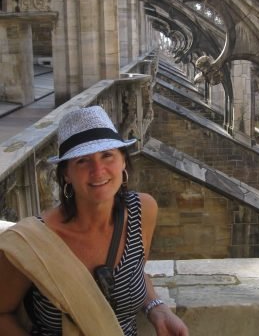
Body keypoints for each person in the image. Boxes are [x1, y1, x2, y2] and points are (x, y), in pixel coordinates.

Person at [0, 105, 189, 336]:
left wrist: (157, 309)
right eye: (82, 161)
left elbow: (136, 273)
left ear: (123, 162)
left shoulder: (143, 211)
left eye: (107, 155)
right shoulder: (31, 242)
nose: (98, 170)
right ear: (66, 174)